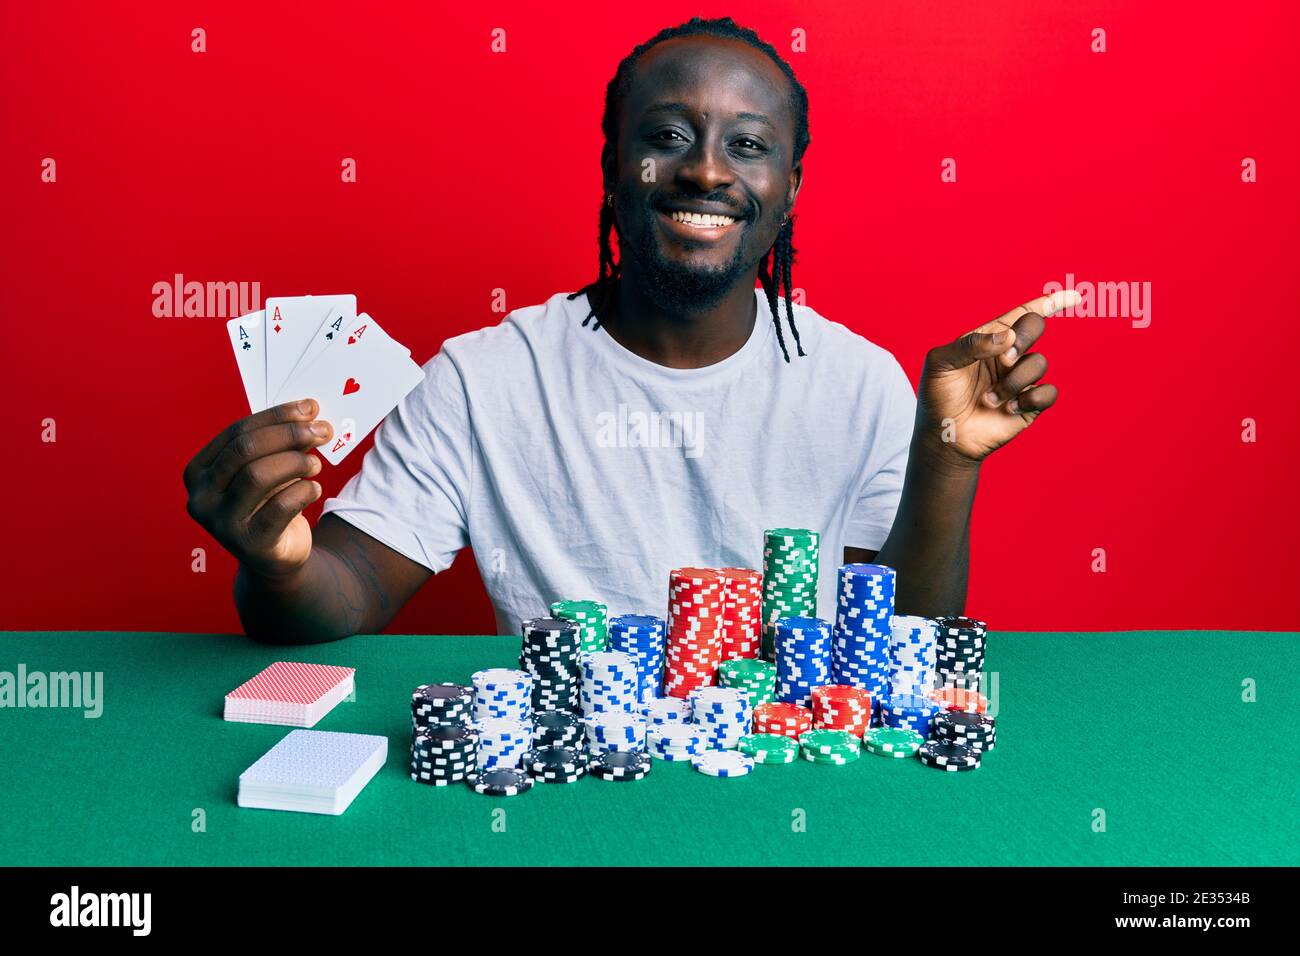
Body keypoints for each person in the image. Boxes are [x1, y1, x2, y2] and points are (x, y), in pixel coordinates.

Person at [183, 16, 1075, 645]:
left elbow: (907, 641)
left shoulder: (861, 383)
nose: (706, 170)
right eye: (670, 134)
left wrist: (948, 459)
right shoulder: (484, 380)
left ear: (790, 191)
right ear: (615, 165)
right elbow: (351, 591)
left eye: (749, 145)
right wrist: (280, 565)